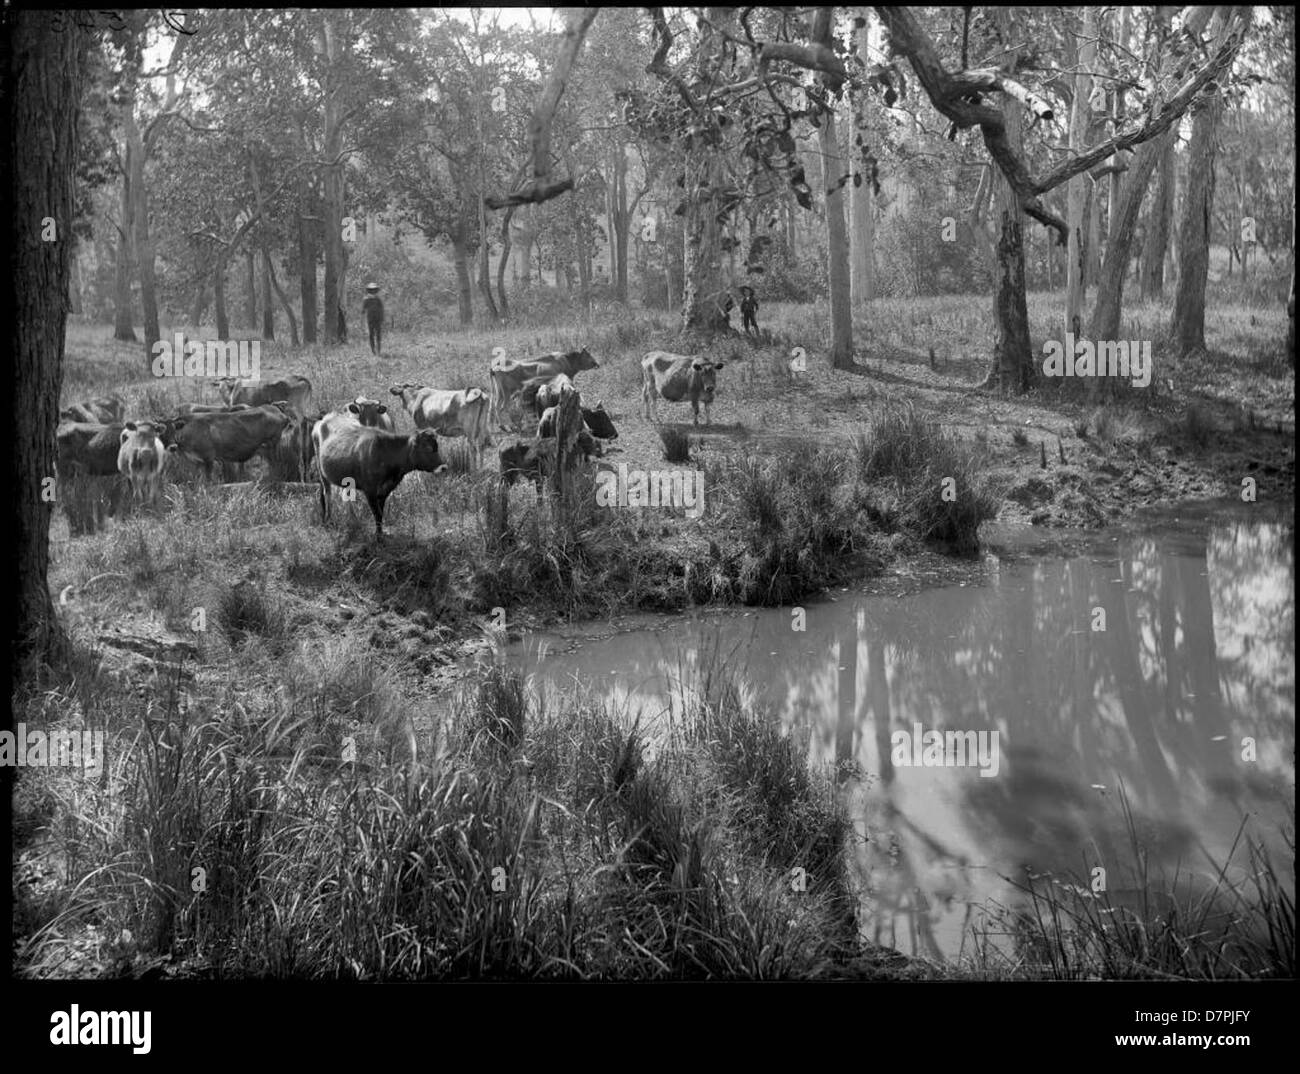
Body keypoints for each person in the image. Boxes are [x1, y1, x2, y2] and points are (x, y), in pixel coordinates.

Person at [362, 282, 384, 356]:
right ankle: (373, 350)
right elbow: (363, 310)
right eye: (371, 290)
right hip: (370, 319)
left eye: (374, 290)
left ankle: (378, 350)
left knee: (378, 334)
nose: (373, 291)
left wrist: (382, 318)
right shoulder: (366, 299)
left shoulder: (378, 299)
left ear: (376, 290)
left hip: (378, 319)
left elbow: (381, 309)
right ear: (369, 290)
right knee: (371, 335)